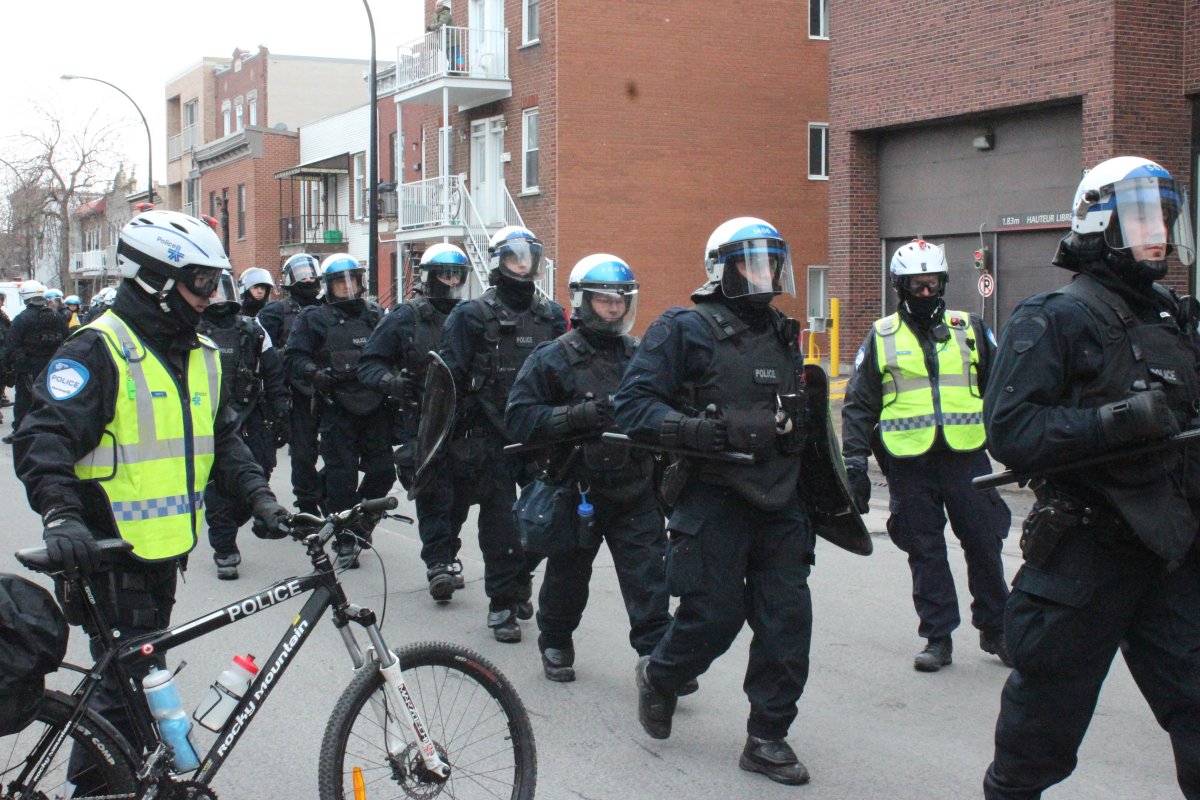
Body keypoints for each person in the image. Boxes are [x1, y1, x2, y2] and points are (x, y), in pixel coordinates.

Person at [11, 209, 288, 790]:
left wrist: (262, 498)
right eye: (201, 282)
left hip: (162, 552)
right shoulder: (99, 348)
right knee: (126, 689)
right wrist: (61, 515)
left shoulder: (202, 353)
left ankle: (129, 779)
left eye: (217, 281)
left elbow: (223, 440)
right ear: (155, 281)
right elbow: (43, 437)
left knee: (134, 686)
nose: (211, 296)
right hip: (106, 551)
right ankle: (97, 789)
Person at [981, 156, 1200, 800]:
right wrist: (1116, 421)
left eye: (1164, 218)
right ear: (1100, 223)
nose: (1158, 233)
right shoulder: (1054, 316)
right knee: (1038, 735)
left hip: (1169, 548)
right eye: (1142, 218)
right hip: (1085, 553)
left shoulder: (1173, 319)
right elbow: (1011, 431)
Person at [613, 217, 813, 785]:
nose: (764, 274)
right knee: (714, 618)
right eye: (751, 262)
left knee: (787, 623)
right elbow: (633, 406)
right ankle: (661, 676)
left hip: (780, 498)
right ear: (721, 269)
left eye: (771, 262)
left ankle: (767, 736)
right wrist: (694, 430)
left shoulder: (781, 331)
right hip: (713, 496)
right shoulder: (684, 328)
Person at [841, 238, 1011, 672]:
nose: (925, 291)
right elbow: (858, 406)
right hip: (908, 461)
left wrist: (1019, 448)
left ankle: (998, 630)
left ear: (943, 282)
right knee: (925, 550)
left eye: (932, 282)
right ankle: (938, 638)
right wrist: (855, 465)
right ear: (900, 286)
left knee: (984, 543)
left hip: (966, 456)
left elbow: (1002, 392)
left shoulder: (970, 328)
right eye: (916, 284)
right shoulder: (881, 336)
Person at [506, 253, 672, 682]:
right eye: (604, 299)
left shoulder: (641, 354)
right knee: (568, 575)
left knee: (649, 577)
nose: (614, 308)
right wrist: (574, 417)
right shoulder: (552, 357)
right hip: (577, 489)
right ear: (582, 301)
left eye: (621, 299)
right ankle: (556, 641)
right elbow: (519, 418)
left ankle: (658, 659)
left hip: (636, 487)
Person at [439, 225, 567, 642]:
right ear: (498, 262)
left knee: (546, 518)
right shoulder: (470, 315)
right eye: (515, 257)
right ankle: (501, 603)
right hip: (487, 436)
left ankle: (518, 578)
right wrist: (447, 440)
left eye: (529, 257)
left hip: (538, 434)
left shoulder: (552, 315)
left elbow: (566, 374)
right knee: (500, 525)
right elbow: (448, 380)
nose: (523, 265)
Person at [357, 242, 469, 599]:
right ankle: (438, 563)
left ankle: (448, 551)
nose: (451, 281)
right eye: (444, 274)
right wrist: (392, 383)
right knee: (434, 494)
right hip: (421, 420)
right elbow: (369, 364)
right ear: (430, 277)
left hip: (465, 422)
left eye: (457, 275)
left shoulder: (473, 314)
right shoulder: (407, 316)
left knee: (460, 498)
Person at [285, 254, 393, 569]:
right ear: (328, 286)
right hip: (336, 407)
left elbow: (395, 351)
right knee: (341, 477)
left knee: (384, 471)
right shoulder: (314, 317)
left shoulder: (376, 315)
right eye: (339, 282)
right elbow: (293, 357)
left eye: (352, 280)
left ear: (361, 282)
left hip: (375, 406)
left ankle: (360, 521)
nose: (347, 287)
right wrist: (314, 373)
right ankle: (345, 539)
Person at [199, 270, 290, 580]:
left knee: (259, 471)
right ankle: (225, 548)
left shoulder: (253, 329)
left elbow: (273, 374)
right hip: (209, 419)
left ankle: (252, 510)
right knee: (218, 486)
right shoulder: (193, 331)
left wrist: (281, 415)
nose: (220, 298)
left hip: (250, 414)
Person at [259, 254, 326, 515]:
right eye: (301, 276)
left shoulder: (328, 308)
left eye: (311, 275)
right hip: (295, 391)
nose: (307, 280)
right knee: (303, 451)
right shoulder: (276, 312)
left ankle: (326, 492)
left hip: (328, 387)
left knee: (340, 450)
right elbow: (262, 352)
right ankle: (307, 504)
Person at [0, 280, 68, 443]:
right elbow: (67, 339)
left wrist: (9, 364)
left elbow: (11, 344)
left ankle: (20, 431)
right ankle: (50, 429)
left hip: (28, 368)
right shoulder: (57, 317)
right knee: (51, 398)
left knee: (24, 400)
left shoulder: (22, 318)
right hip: (52, 366)